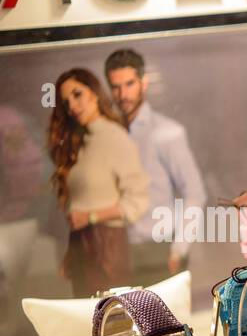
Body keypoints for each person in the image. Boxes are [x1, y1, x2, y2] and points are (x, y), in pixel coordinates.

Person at [46, 68, 149, 297]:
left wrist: (90, 217)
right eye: (66, 101)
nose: (72, 106)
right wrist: (72, 251)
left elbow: (137, 201)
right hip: (81, 244)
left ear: (93, 92)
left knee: (109, 323)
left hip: (107, 246)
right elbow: (79, 206)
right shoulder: (79, 142)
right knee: (86, 322)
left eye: (77, 94)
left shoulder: (115, 137)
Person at [105, 48, 207, 275]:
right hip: (115, 250)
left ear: (144, 83)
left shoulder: (168, 133)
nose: (123, 94)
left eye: (129, 84)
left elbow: (195, 194)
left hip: (160, 248)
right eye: (116, 86)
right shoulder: (105, 135)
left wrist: (179, 248)